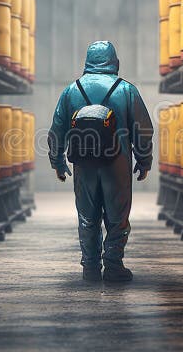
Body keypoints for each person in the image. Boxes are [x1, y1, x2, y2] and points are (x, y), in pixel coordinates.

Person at [48, 41, 153, 282]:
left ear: (87, 62)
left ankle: (91, 267)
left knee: (87, 216)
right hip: (117, 163)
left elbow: (57, 130)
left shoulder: (71, 90)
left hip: (84, 164)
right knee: (117, 217)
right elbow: (143, 130)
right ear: (115, 63)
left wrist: (58, 162)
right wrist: (144, 160)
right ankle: (114, 265)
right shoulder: (127, 90)